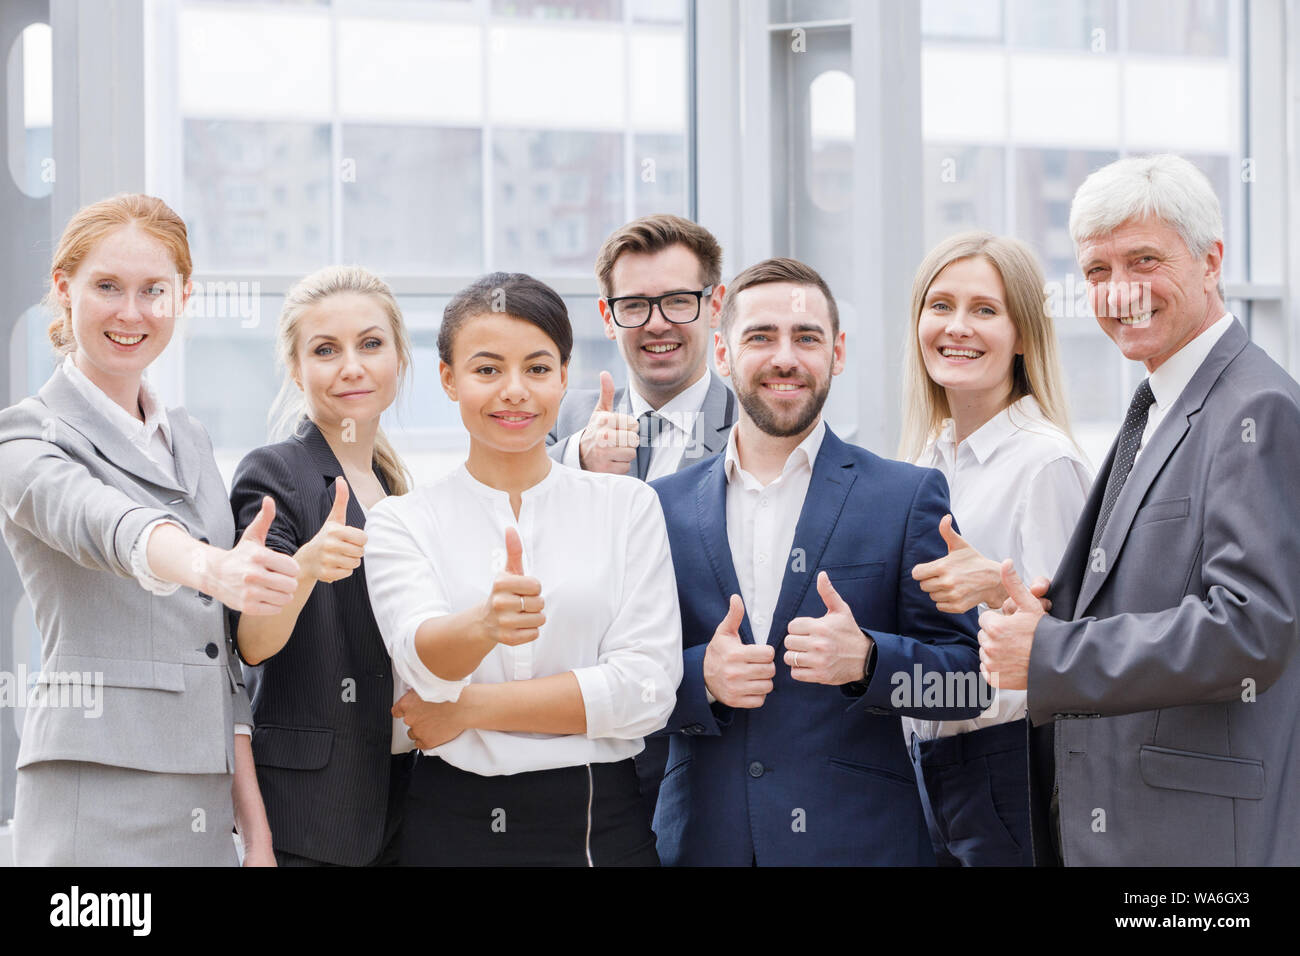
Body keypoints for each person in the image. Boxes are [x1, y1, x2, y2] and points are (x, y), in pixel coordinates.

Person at [979, 154, 1300, 866]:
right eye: (1097, 272)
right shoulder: (1157, 402)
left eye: (1144, 260)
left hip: (1197, 848)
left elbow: (1251, 628)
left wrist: (1052, 651)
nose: (1120, 292)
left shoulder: (1257, 408)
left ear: (1211, 260)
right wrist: (1050, 611)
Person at [650, 257, 984, 866]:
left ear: (838, 353)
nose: (786, 358)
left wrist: (870, 662)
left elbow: (968, 682)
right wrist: (700, 677)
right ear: (722, 355)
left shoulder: (905, 497)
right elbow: (621, 685)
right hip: (704, 845)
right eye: (760, 337)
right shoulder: (658, 508)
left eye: (806, 338)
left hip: (858, 845)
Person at [0, 194, 296, 865]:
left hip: (205, 800)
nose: (131, 313)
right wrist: (207, 565)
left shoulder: (190, 439)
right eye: (107, 286)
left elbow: (217, 655)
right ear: (63, 289)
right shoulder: (26, 433)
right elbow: (102, 522)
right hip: (95, 789)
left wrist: (257, 831)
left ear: (183, 296)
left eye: (153, 291)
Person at [365, 272, 682, 866]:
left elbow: (646, 692)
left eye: (537, 369)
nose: (514, 390)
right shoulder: (403, 521)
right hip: (448, 820)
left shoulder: (628, 507)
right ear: (448, 379)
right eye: (487, 370)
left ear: (564, 378)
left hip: (598, 818)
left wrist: (469, 709)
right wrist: (483, 625)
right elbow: (422, 662)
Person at [898, 232, 1093, 866]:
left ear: (1023, 334)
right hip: (926, 764)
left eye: (985, 309)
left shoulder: (1044, 463)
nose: (957, 327)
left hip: (1006, 766)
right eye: (941, 305)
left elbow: (1073, 653)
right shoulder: (925, 456)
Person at [546, 213, 738, 823]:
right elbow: (490, 515)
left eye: (678, 301)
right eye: (635, 305)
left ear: (715, 305)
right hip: (570, 758)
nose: (657, 324)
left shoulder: (757, 429)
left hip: (705, 760)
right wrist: (573, 460)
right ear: (607, 315)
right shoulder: (554, 420)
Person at [228, 265, 415, 866]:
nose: (352, 367)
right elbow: (253, 642)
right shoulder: (275, 473)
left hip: (401, 797)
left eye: (370, 344)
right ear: (295, 368)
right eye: (326, 350)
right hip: (312, 812)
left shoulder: (395, 484)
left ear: (399, 358)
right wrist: (304, 566)